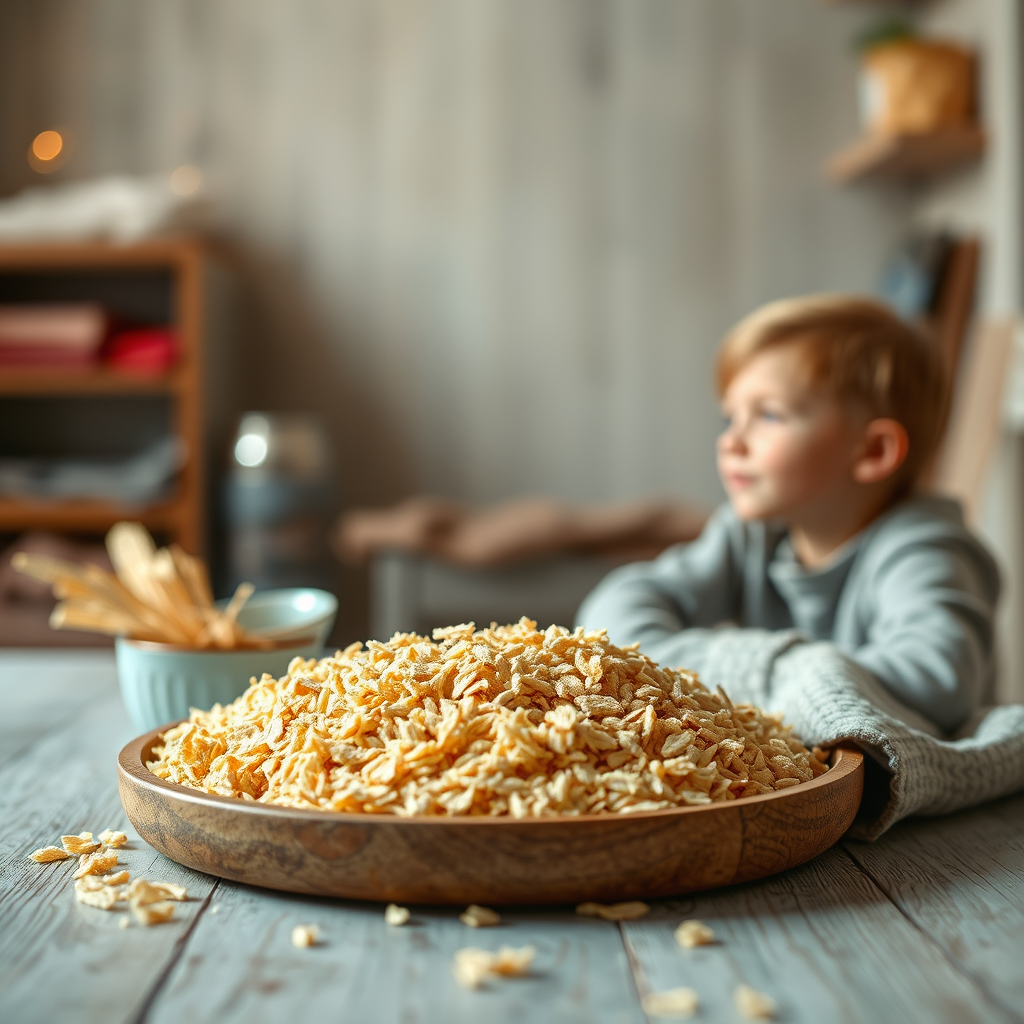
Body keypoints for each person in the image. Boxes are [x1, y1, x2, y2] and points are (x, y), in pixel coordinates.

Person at [576, 295, 1000, 733]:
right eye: (730, 418)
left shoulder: (923, 550)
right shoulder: (751, 535)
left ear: (873, 451)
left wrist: (758, 670)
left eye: (769, 415)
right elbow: (613, 609)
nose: (731, 442)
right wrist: (745, 667)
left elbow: (941, 680)